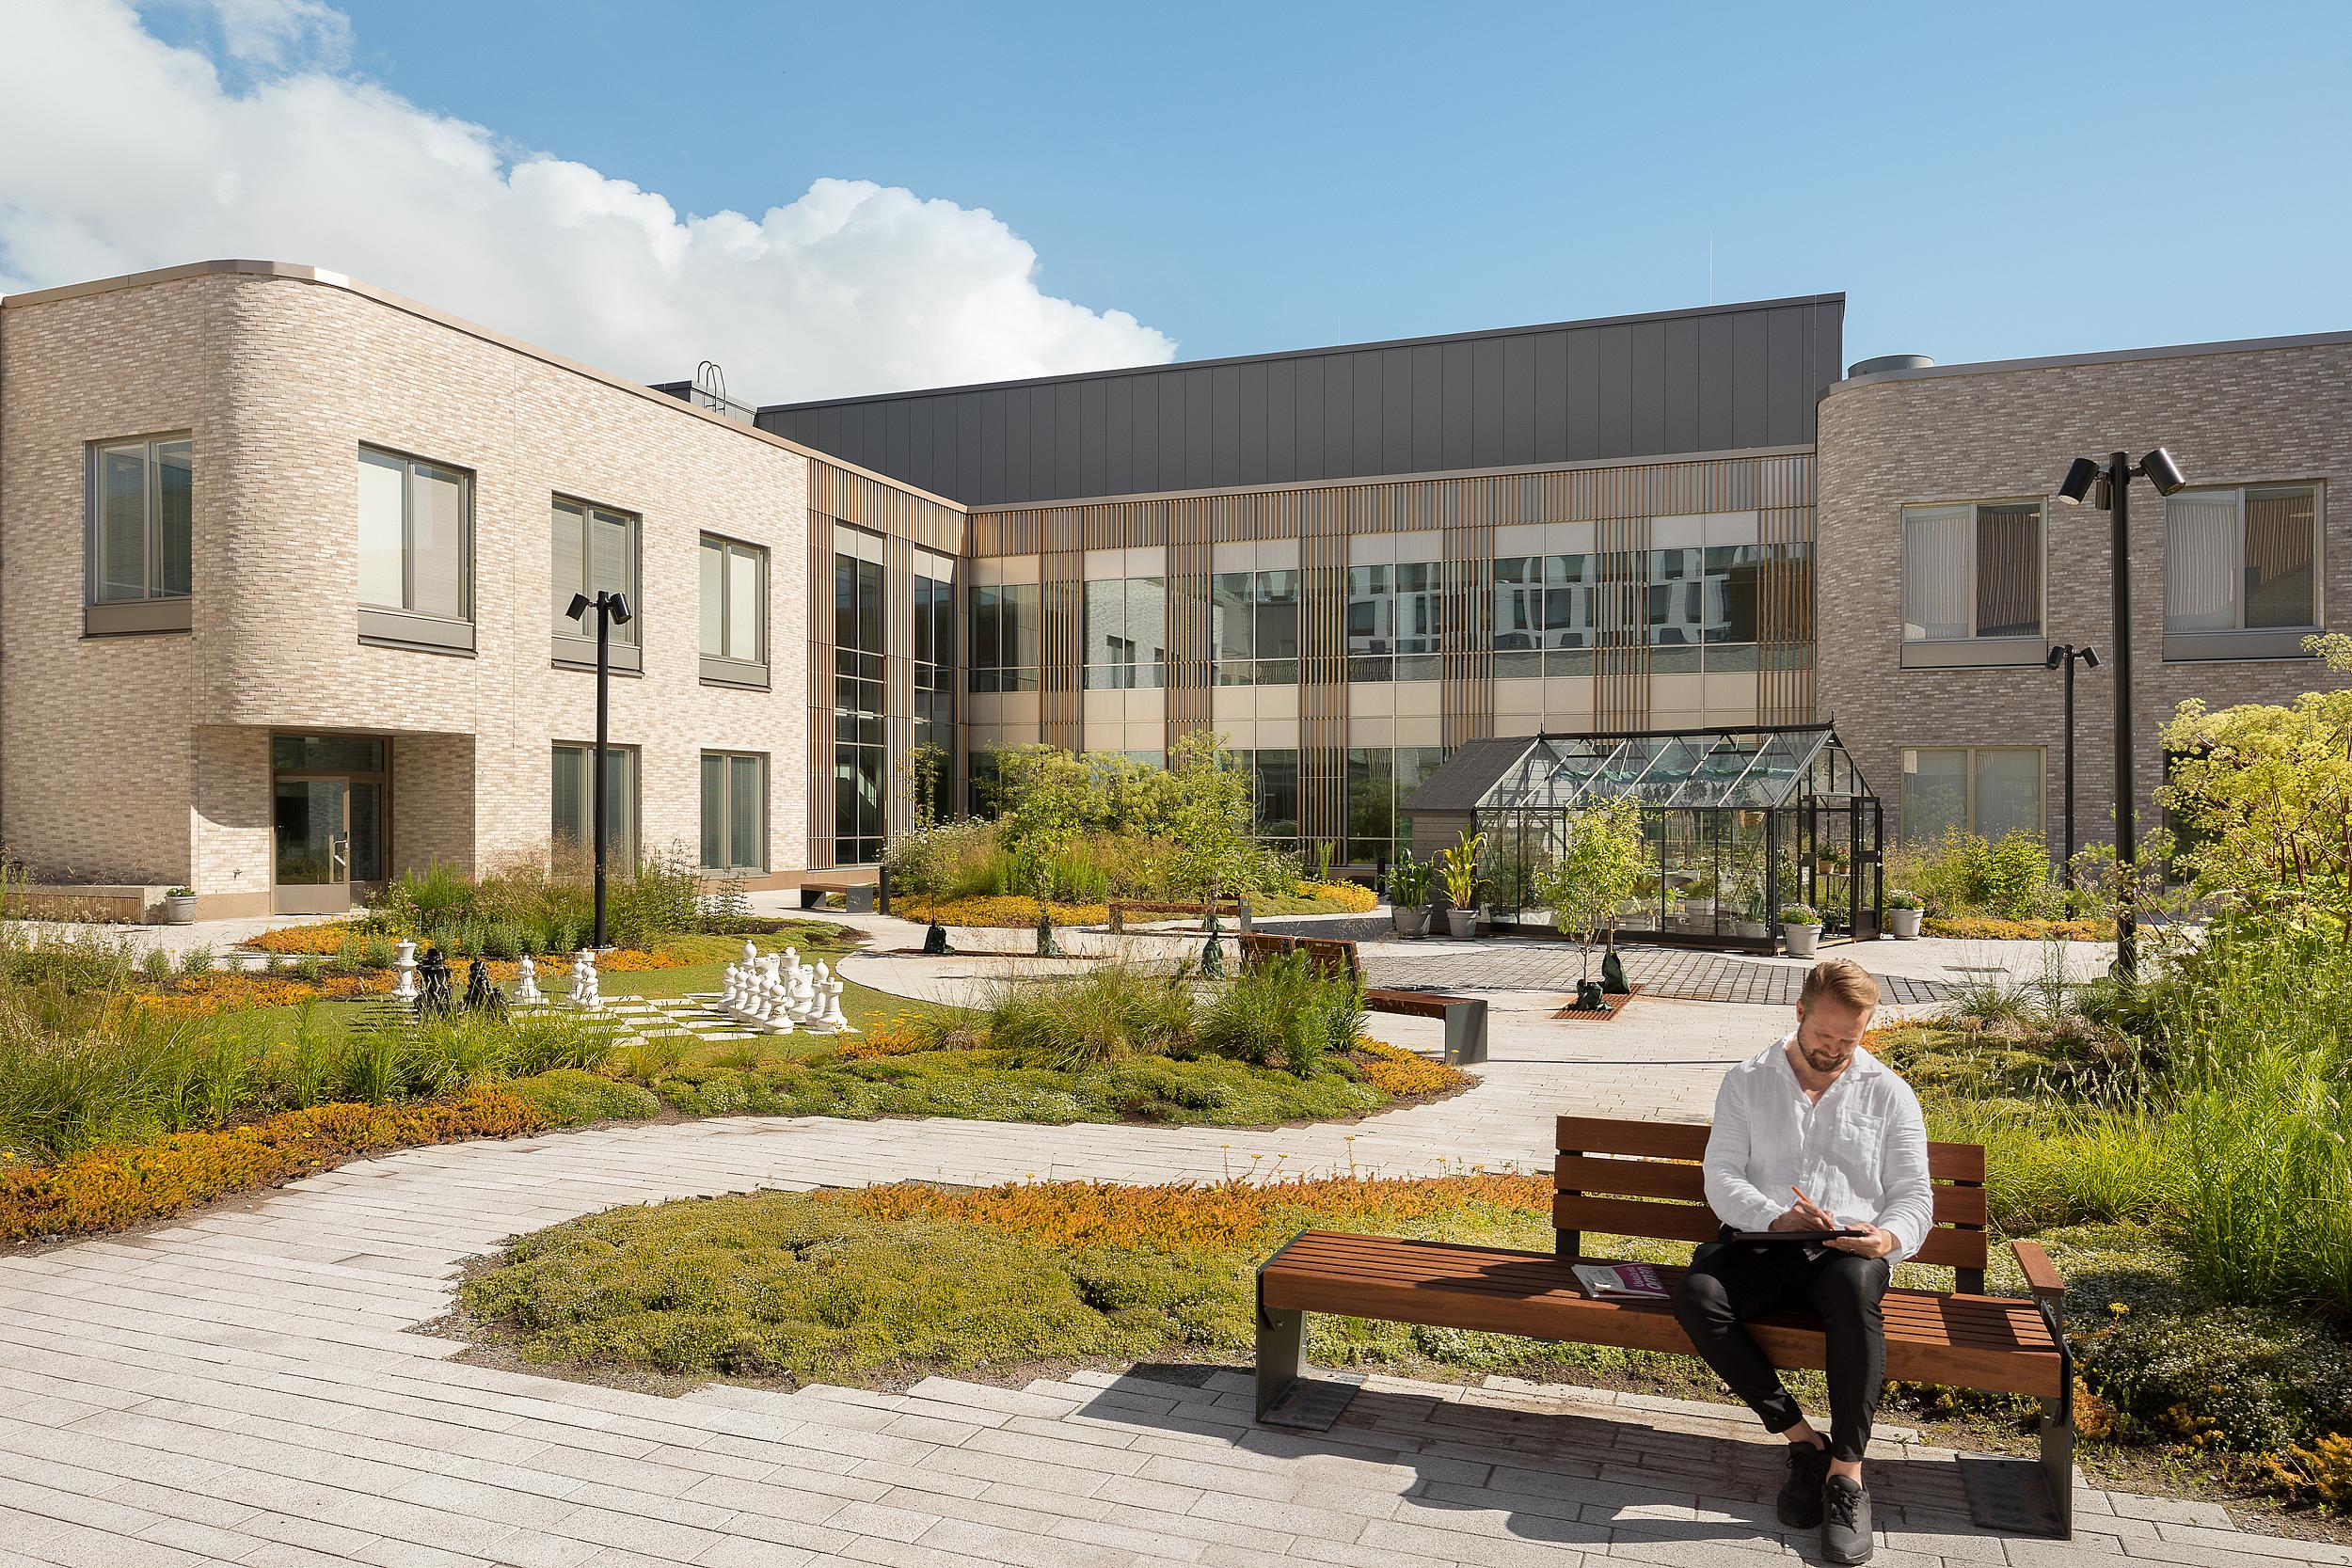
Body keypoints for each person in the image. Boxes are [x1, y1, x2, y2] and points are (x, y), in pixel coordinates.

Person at [1670, 958, 1931, 1567]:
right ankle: (1801, 1441)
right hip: (1765, 1242)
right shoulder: (1748, 1079)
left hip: (1843, 1254)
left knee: (1855, 1287)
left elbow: (1916, 1196)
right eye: (1824, 1036)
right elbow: (1722, 1175)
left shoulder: (1890, 1093)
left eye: (1850, 1039)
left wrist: (1886, 1238)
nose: (1835, 1050)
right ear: (1800, 1013)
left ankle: (1847, 1475)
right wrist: (1774, 1216)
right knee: (1697, 1294)